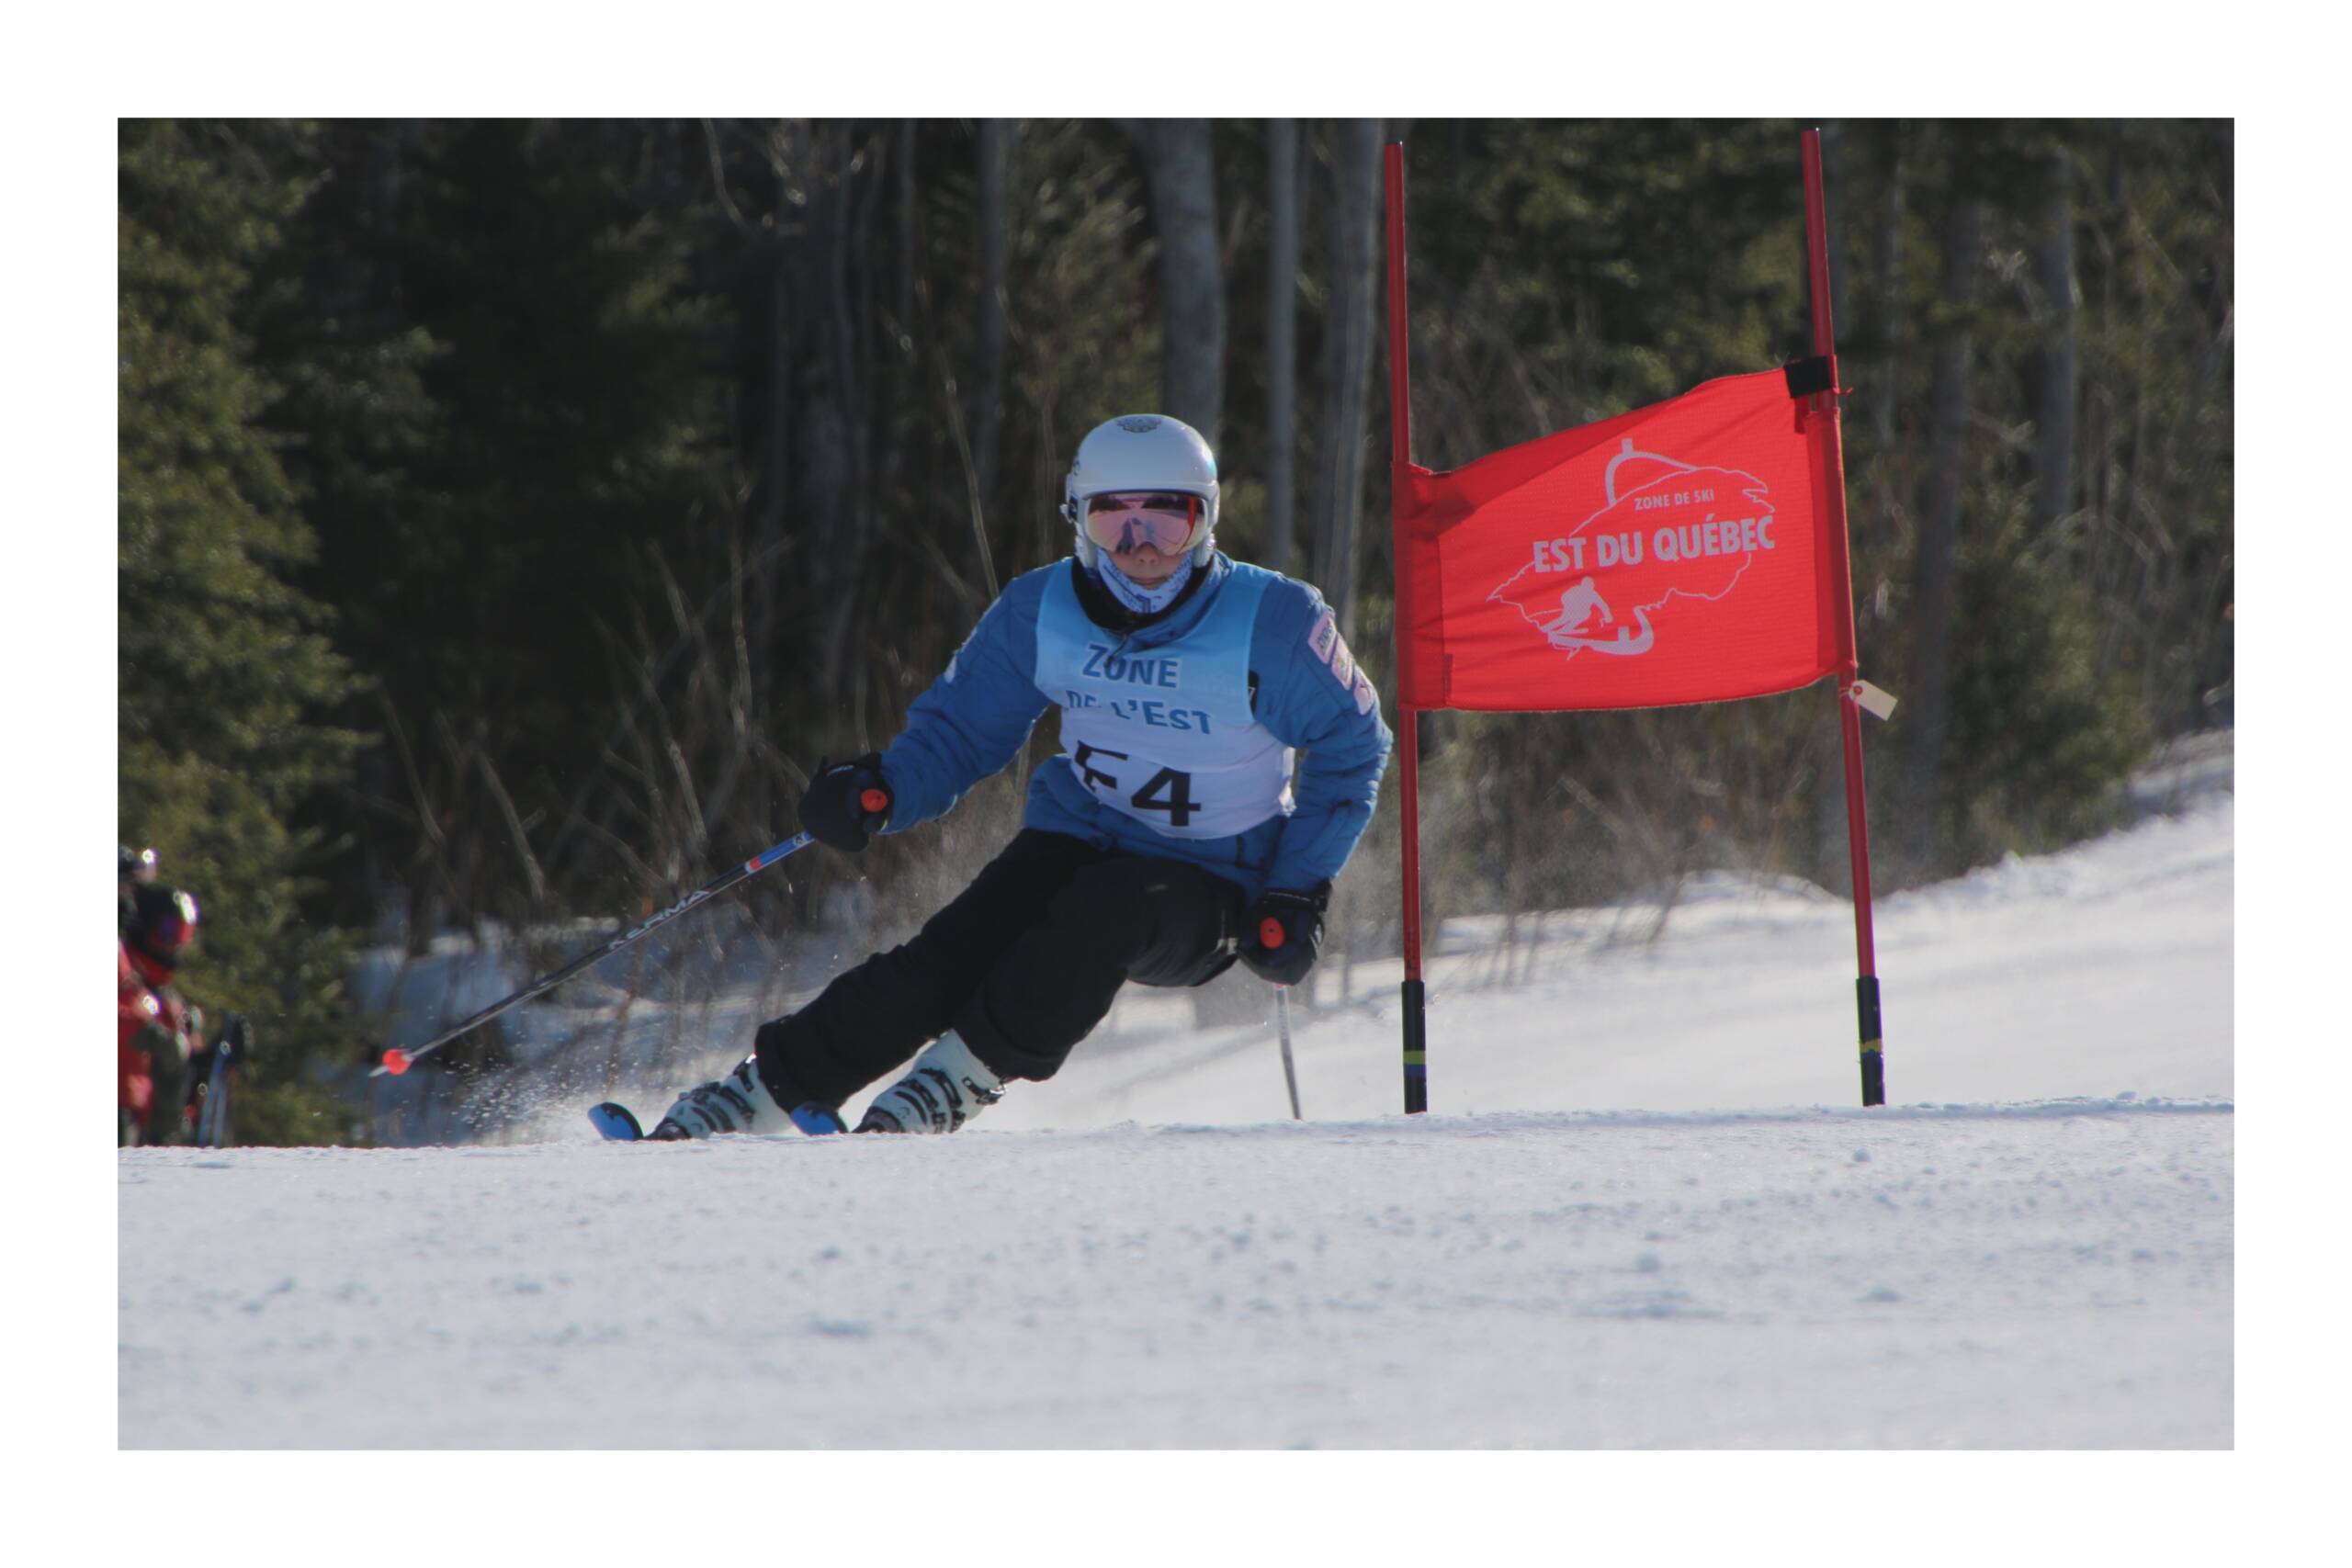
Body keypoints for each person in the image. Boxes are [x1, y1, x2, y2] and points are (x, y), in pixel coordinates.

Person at [651, 413, 1392, 1137]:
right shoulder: (1041, 610)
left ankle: (957, 1078)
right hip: (1080, 840)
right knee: (950, 952)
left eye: (1169, 521)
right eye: (1114, 521)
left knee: (1111, 905)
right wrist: (883, 789)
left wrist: (1296, 887)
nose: (1140, 546)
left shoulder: (1273, 622)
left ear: (1206, 521)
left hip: (1216, 883)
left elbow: (1353, 745)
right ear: (1078, 520)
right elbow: (961, 730)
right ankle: (764, 1091)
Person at [119, 882, 203, 1145]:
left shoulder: (170, 1002)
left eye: (182, 934)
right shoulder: (125, 974)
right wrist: (147, 1033)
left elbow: (188, 1080)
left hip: (146, 1132)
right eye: (167, 932)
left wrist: (212, 1062)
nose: (174, 944)